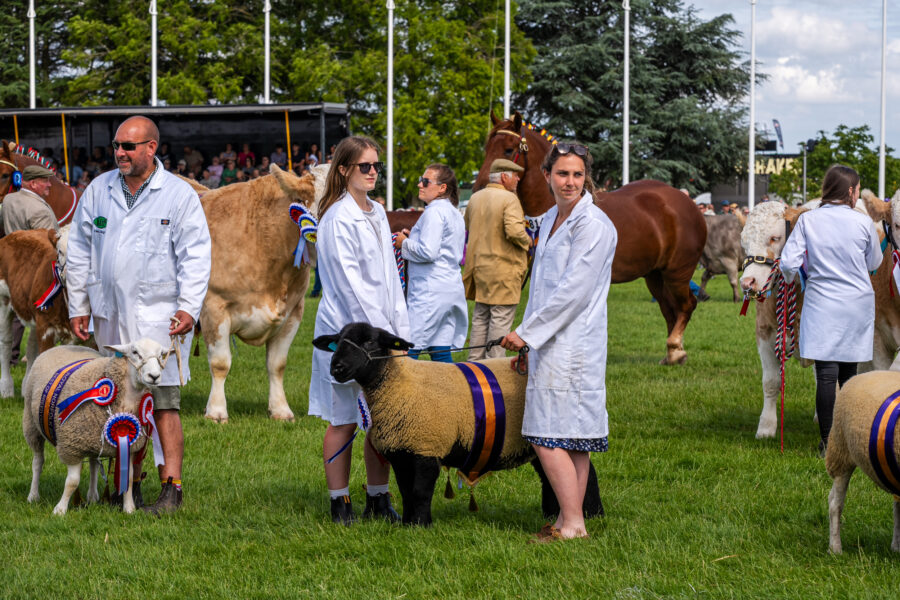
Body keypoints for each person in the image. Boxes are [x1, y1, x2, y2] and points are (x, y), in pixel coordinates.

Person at [67, 115, 212, 514]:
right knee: (114, 403)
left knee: (164, 403)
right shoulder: (98, 190)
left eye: (129, 146)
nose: (120, 153)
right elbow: (78, 252)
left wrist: (188, 307)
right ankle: (125, 487)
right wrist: (78, 305)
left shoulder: (178, 196)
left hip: (158, 322)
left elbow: (196, 257)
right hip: (110, 319)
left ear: (151, 148)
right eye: (117, 145)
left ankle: (172, 488)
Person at [500, 141, 616, 542]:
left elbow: (572, 292)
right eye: (563, 174)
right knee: (573, 437)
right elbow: (542, 289)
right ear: (547, 175)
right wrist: (530, 337)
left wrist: (525, 335)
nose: (570, 182)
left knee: (547, 434)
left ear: (587, 179)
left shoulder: (593, 226)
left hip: (572, 345)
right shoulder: (550, 219)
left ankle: (572, 523)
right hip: (553, 341)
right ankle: (573, 521)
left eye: (578, 175)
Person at [309, 135, 407, 525]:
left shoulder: (377, 212)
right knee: (344, 418)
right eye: (364, 166)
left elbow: (390, 280)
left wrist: (399, 335)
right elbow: (351, 286)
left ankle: (378, 498)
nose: (371, 173)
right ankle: (339, 501)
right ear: (344, 169)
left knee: (379, 419)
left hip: (381, 333)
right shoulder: (335, 218)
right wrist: (377, 342)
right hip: (347, 335)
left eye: (376, 166)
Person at [779, 164, 881, 453]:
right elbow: (874, 262)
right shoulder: (862, 222)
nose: (858, 195)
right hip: (856, 305)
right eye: (858, 190)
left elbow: (787, 263)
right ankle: (849, 442)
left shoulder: (809, 221)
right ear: (849, 191)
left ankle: (828, 442)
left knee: (826, 375)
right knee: (849, 374)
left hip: (822, 303)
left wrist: (793, 279)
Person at [392, 164, 467, 362]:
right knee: (440, 352)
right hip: (449, 289)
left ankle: (401, 394)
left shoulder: (434, 212)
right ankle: (449, 393)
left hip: (429, 293)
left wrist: (404, 243)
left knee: (408, 351)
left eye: (425, 181)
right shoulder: (454, 213)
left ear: (442, 188)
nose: (420, 184)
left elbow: (429, 251)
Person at [462, 158, 531, 360]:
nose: (518, 179)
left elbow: (467, 226)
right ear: (504, 177)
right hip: (504, 272)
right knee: (499, 323)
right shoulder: (509, 199)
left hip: (478, 270)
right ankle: (494, 371)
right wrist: (529, 241)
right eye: (515, 175)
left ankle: (473, 368)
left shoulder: (475, 198)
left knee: (480, 319)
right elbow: (514, 231)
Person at [2, 164, 59, 365]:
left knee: (13, 314)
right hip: (34, 271)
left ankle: (10, 357)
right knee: (42, 316)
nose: (49, 186)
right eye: (45, 182)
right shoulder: (38, 209)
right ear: (33, 183)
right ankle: (41, 361)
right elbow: (49, 247)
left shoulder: (9, 200)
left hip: (11, 266)